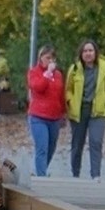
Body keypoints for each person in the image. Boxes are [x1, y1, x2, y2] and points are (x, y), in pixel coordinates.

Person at [65, 40, 105, 178]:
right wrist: (70, 100)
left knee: (96, 142)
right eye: (85, 51)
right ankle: (75, 173)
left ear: (95, 52)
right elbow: (68, 89)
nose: (88, 53)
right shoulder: (75, 69)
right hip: (79, 111)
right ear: (81, 54)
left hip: (98, 111)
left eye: (90, 50)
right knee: (77, 144)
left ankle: (95, 175)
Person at [24, 45, 67, 178]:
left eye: (52, 58)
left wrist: (64, 113)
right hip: (38, 117)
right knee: (42, 147)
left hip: (54, 117)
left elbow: (61, 94)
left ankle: (41, 170)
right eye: (47, 57)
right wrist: (47, 73)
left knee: (51, 148)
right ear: (40, 58)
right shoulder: (34, 72)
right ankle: (41, 176)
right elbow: (38, 87)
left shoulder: (58, 75)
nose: (50, 60)